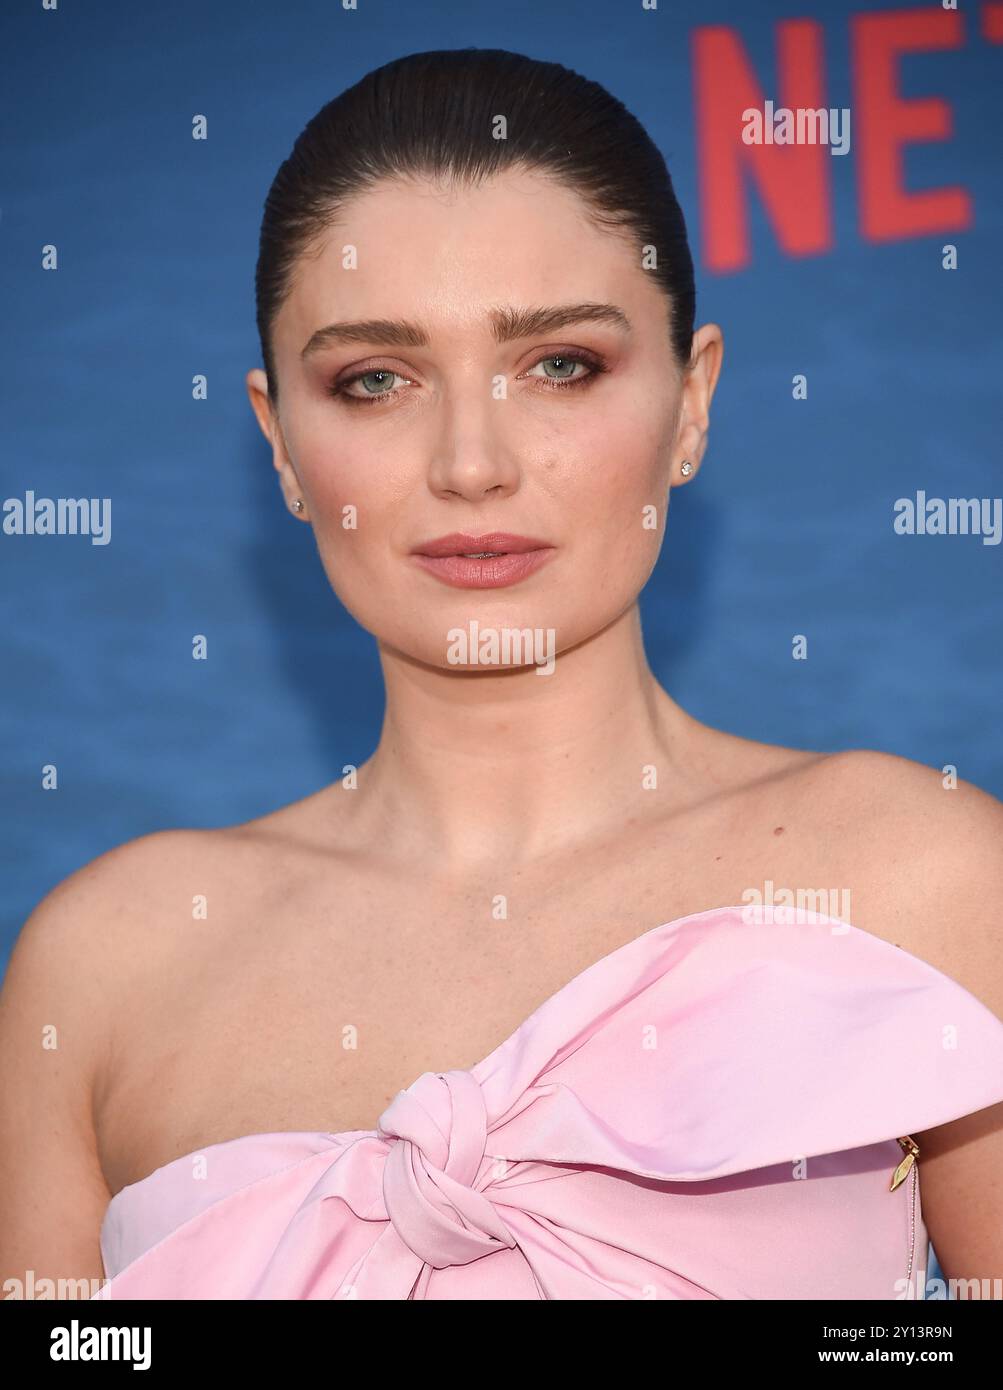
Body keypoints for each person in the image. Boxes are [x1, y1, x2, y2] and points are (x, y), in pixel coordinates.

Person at [2, 47, 1002, 1301]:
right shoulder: (105, 966)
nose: (471, 462)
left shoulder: (924, 883)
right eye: (375, 380)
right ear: (281, 443)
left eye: (560, 365)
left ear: (691, 404)